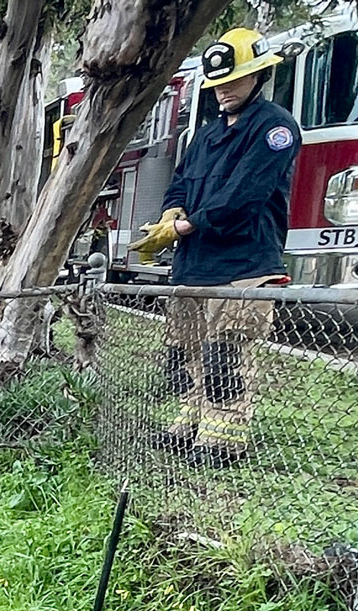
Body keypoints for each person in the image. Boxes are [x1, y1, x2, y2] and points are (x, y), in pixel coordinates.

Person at [132, 26, 298, 464]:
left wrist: (187, 227)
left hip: (242, 265)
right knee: (186, 352)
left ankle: (224, 438)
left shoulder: (275, 129)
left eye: (233, 81)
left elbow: (244, 196)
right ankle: (190, 424)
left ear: (258, 75)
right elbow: (181, 184)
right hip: (194, 267)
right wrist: (171, 213)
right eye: (218, 84)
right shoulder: (204, 136)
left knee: (227, 353)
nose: (223, 90)